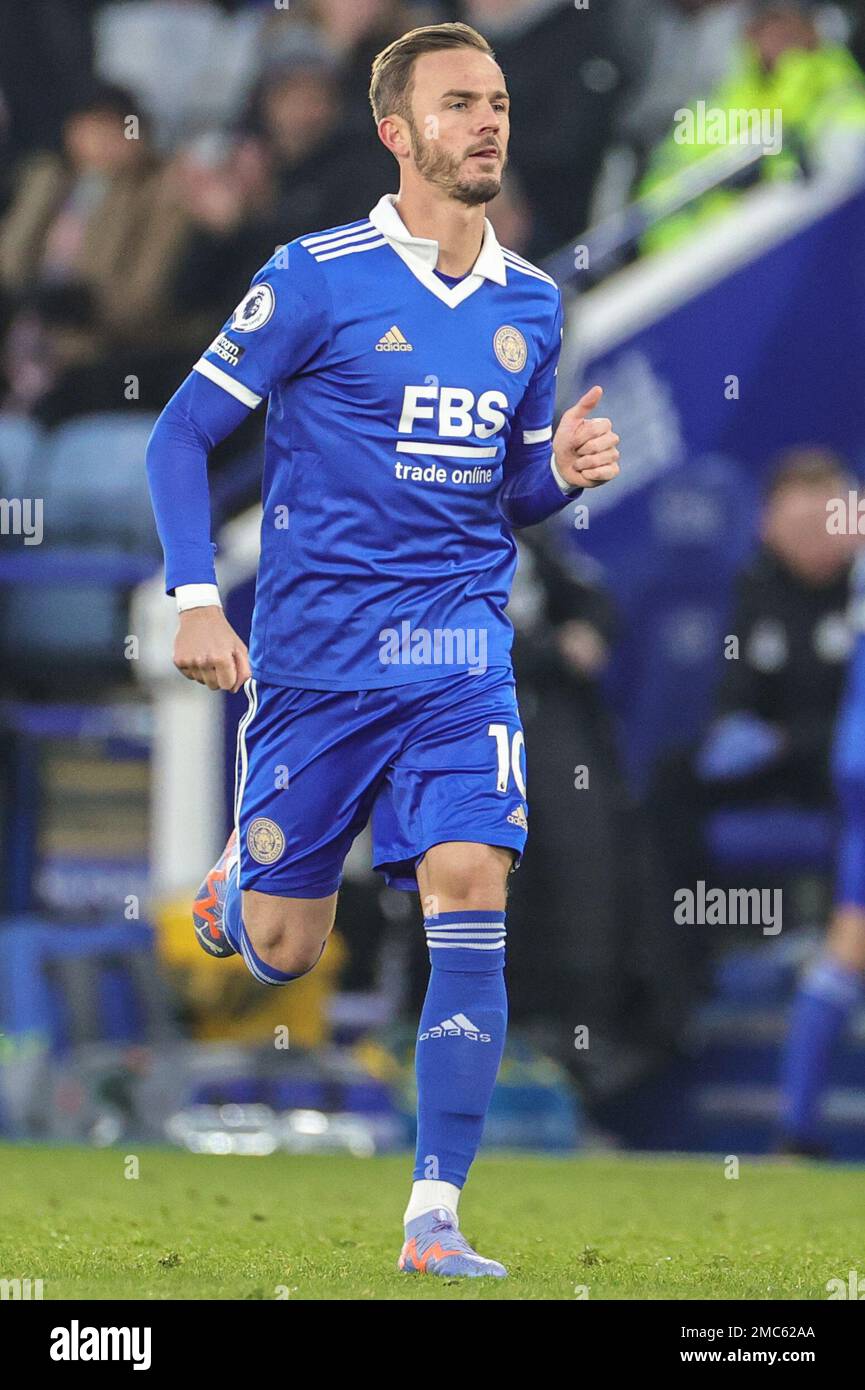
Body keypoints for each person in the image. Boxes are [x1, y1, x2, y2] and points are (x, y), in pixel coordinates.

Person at [146, 21, 621, 1278]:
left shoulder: (531, 301)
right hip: (314, 663)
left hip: (460, 652)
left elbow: (504, 490)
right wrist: (199, 599)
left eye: (499, 100)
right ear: (395, 134)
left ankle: (432, 1216)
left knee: (471, 877)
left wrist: (556, 474)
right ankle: (235, 890)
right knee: (289, 946)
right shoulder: (313, 275)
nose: (489, 121)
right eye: (459, 102)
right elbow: (175, 438)